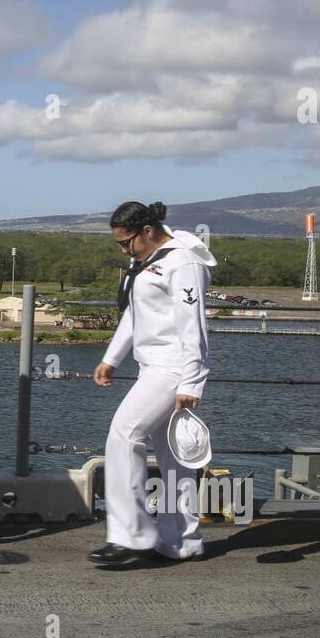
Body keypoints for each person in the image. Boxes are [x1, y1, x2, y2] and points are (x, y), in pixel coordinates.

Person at [90, 201, 216, 565]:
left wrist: (192, 381)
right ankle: (180, 541)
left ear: (148, 230)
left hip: (173, 368)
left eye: (126, 242)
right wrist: (112, 357)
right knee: (172, 459)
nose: (123, 250)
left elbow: (194, 326)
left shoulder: (184, 263)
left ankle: (131, 536)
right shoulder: (146, 259)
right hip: (151, 366)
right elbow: (134, 312)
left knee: (124, 434)